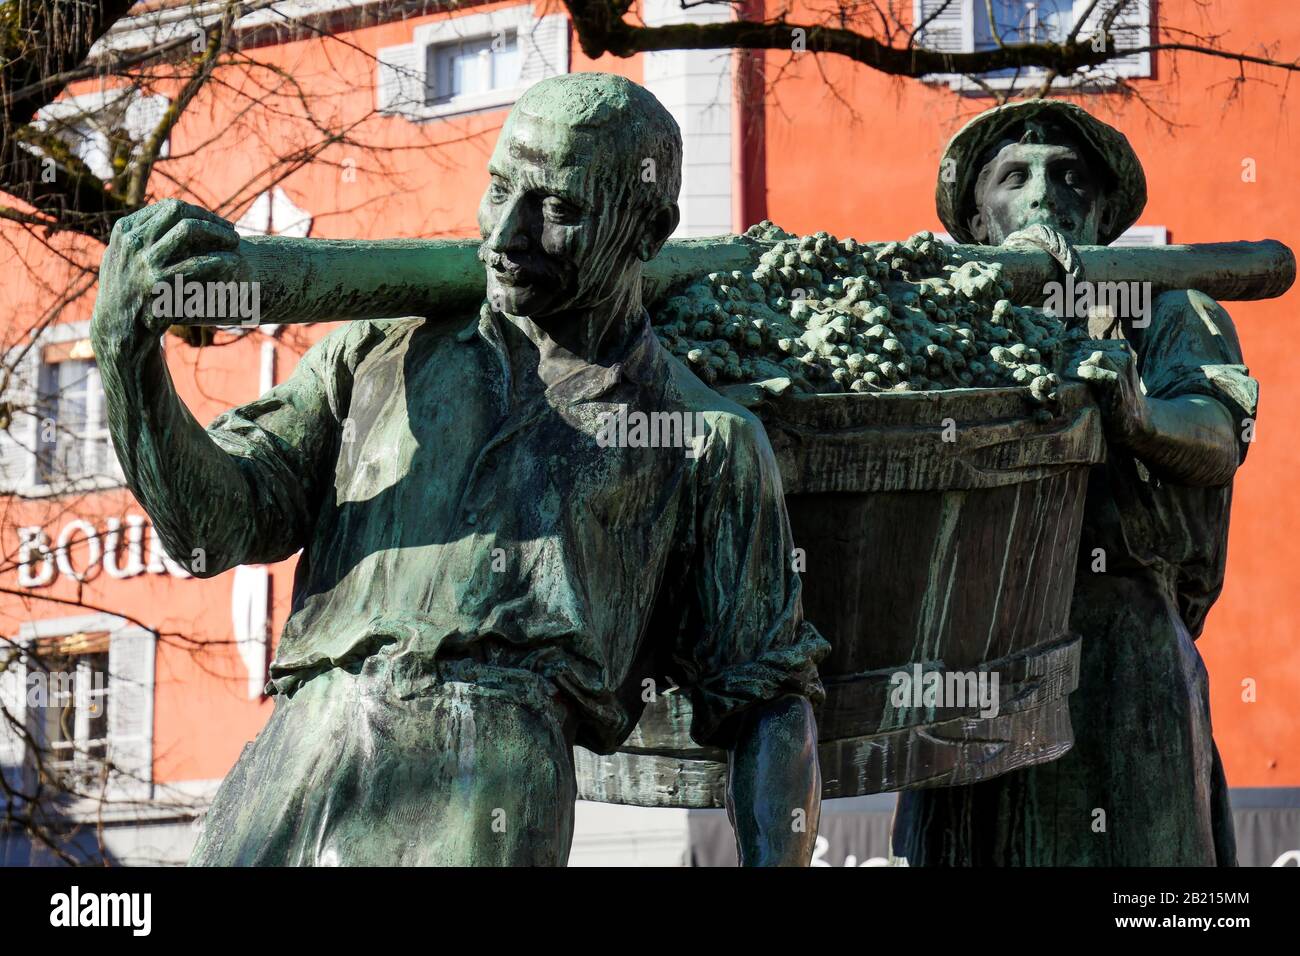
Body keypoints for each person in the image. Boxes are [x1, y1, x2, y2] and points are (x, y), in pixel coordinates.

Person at [91, 72, 829, 866]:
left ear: (650, 230)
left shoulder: (704, 439)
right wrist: (124, 357)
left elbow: (766, 701)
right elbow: (213, 524)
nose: (506, 234)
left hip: (487, 782)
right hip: (297, 752)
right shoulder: (379, 349)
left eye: (560, 207)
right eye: (499, 186)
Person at [893, 100, 1258, 866]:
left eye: (1068, 175)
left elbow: (1216, 433)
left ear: (1100, 209)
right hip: (965, 647)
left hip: (1118, 636)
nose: (1043, 193)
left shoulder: (1166, 306)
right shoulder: (936, 323)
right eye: (1014, 176)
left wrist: (1135, 414)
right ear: (977, 215)